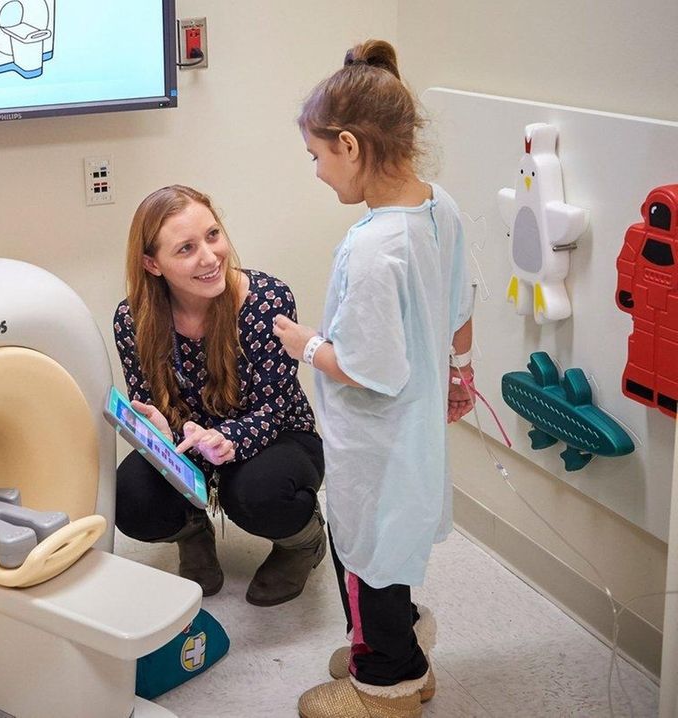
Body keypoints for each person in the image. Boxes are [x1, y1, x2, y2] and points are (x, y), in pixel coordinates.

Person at [271, 40, 475, 718]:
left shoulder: (373, 246)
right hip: (418, 432)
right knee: (398, 543)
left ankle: (383, 683)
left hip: (377, 439)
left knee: (363, 553)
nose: (318, 173)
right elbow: (460, 306)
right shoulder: (439, 207)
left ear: (351, 147)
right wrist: (459, 373)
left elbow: (364, 370)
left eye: (317, 157)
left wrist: (306, 344)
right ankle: (396, 648)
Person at [113, 184, 326, 607]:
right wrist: (158, 434)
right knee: (130, 497)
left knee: (256, 491)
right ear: (152, 264)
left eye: (213, 235)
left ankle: (302, 543)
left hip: (275, 437)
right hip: (189, 442)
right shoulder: (132, 318)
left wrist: (226, 441)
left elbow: (272, 409)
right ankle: (192, 531)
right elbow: (148, 403)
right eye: (186, 248)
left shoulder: (268, 299)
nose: (210, 258)